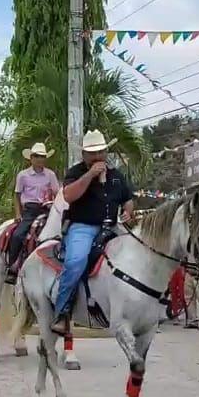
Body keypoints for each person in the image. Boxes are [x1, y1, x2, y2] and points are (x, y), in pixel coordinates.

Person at [50, 130, 135, 337]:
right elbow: (68, 196)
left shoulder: (116, 175)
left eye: (101, 152)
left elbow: (128, 198)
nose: (97, 156)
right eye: (92, 152)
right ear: (84, 155)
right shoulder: (75, 172)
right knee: (76, 261)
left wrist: (128, 211)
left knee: (137, 253)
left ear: (106, 152)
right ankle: (62, 312)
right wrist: (90, 175)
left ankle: (141, 307)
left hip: (112, 225)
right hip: (83, 226)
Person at [6, 142, 60, 284]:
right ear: (31, 158)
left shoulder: (50, 175)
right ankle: (12, 267)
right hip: (29, 210)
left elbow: (57, 193)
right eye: (37, 156)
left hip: (47, 209)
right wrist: (18, 214)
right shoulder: (23, 175)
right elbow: (17, 195)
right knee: (18, 235)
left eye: (42, 156)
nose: (40, 159)